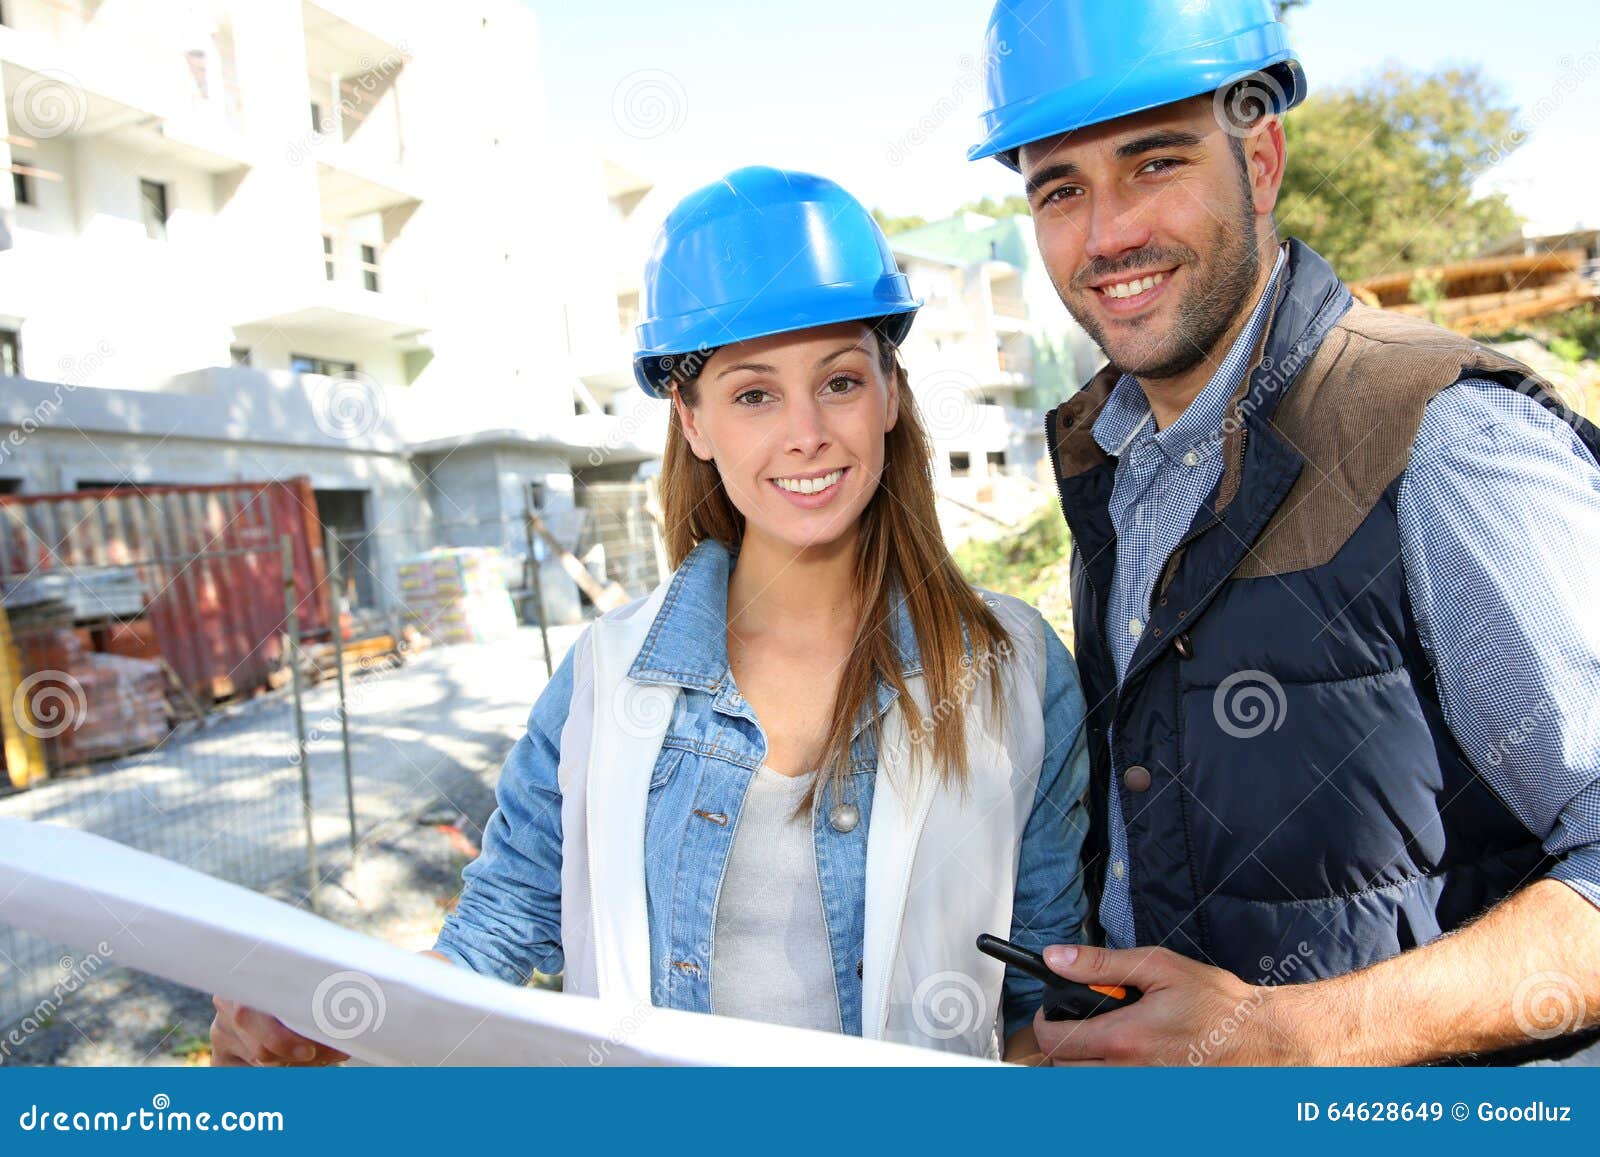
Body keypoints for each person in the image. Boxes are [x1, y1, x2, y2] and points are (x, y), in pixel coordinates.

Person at [210, 166, 1091, 1065]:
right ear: (694, 420)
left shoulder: (1010, 668)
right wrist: (339, 1031)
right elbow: (498, 928)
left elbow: (1039, 990)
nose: (806, 432)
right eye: (753, 393)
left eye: (839, 382)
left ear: (890, 393)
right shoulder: (605, 677)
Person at [966, 0, 1600, 1065]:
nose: (1107, 232)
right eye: (1060, 188)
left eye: (1154, 162)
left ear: (1259, 159)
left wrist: (1282, 1036)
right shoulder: (1113, 468)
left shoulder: (1442, 437)